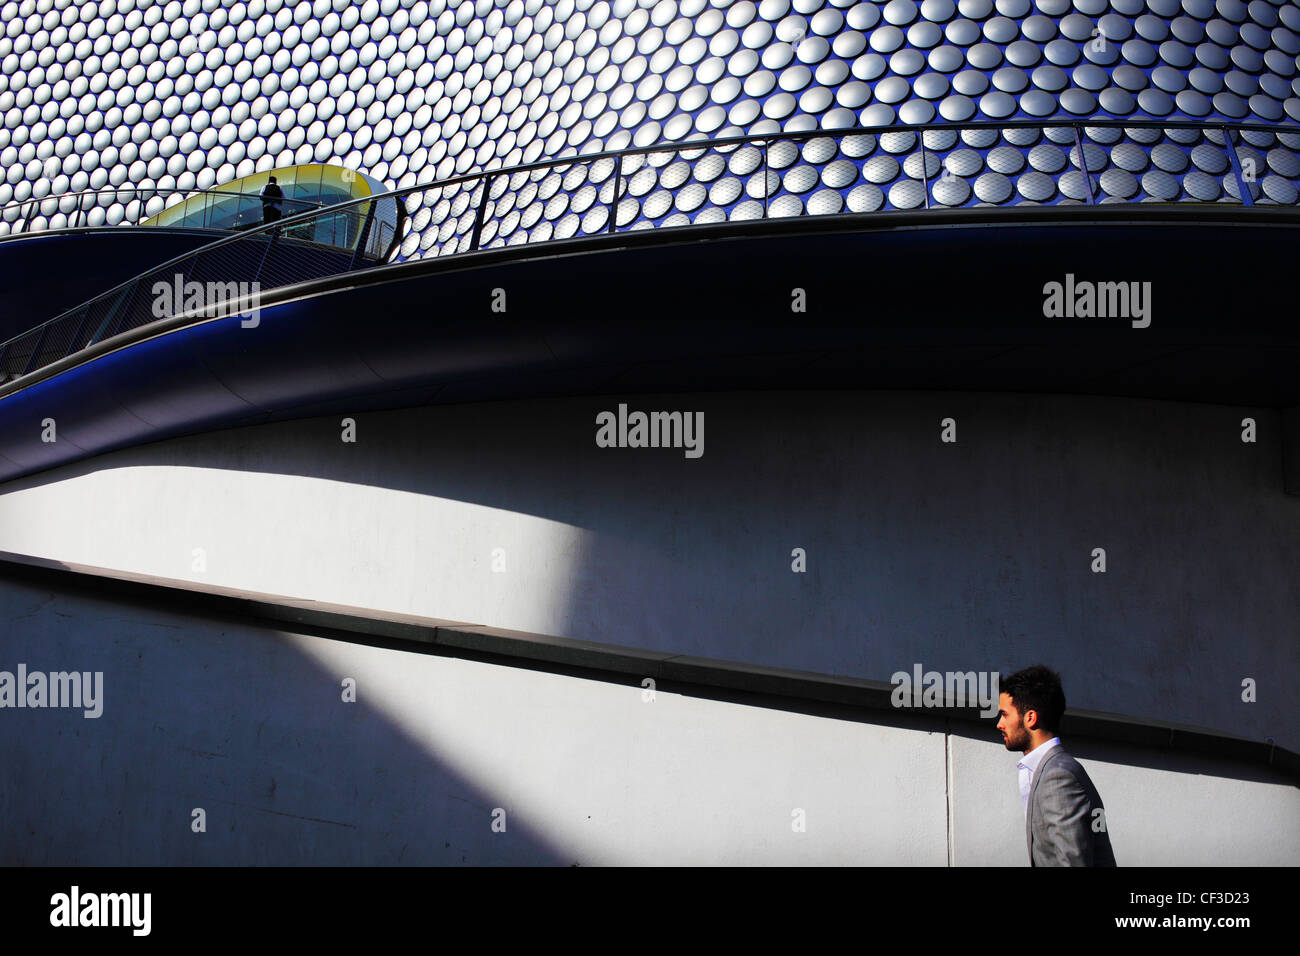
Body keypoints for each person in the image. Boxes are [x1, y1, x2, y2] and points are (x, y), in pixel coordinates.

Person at [996, 665, 1116, 866]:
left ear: (1030, 718)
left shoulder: (1058, 776)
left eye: (1005, 714)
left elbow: (1072, 861)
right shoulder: (1051, 770)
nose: (999, 724)